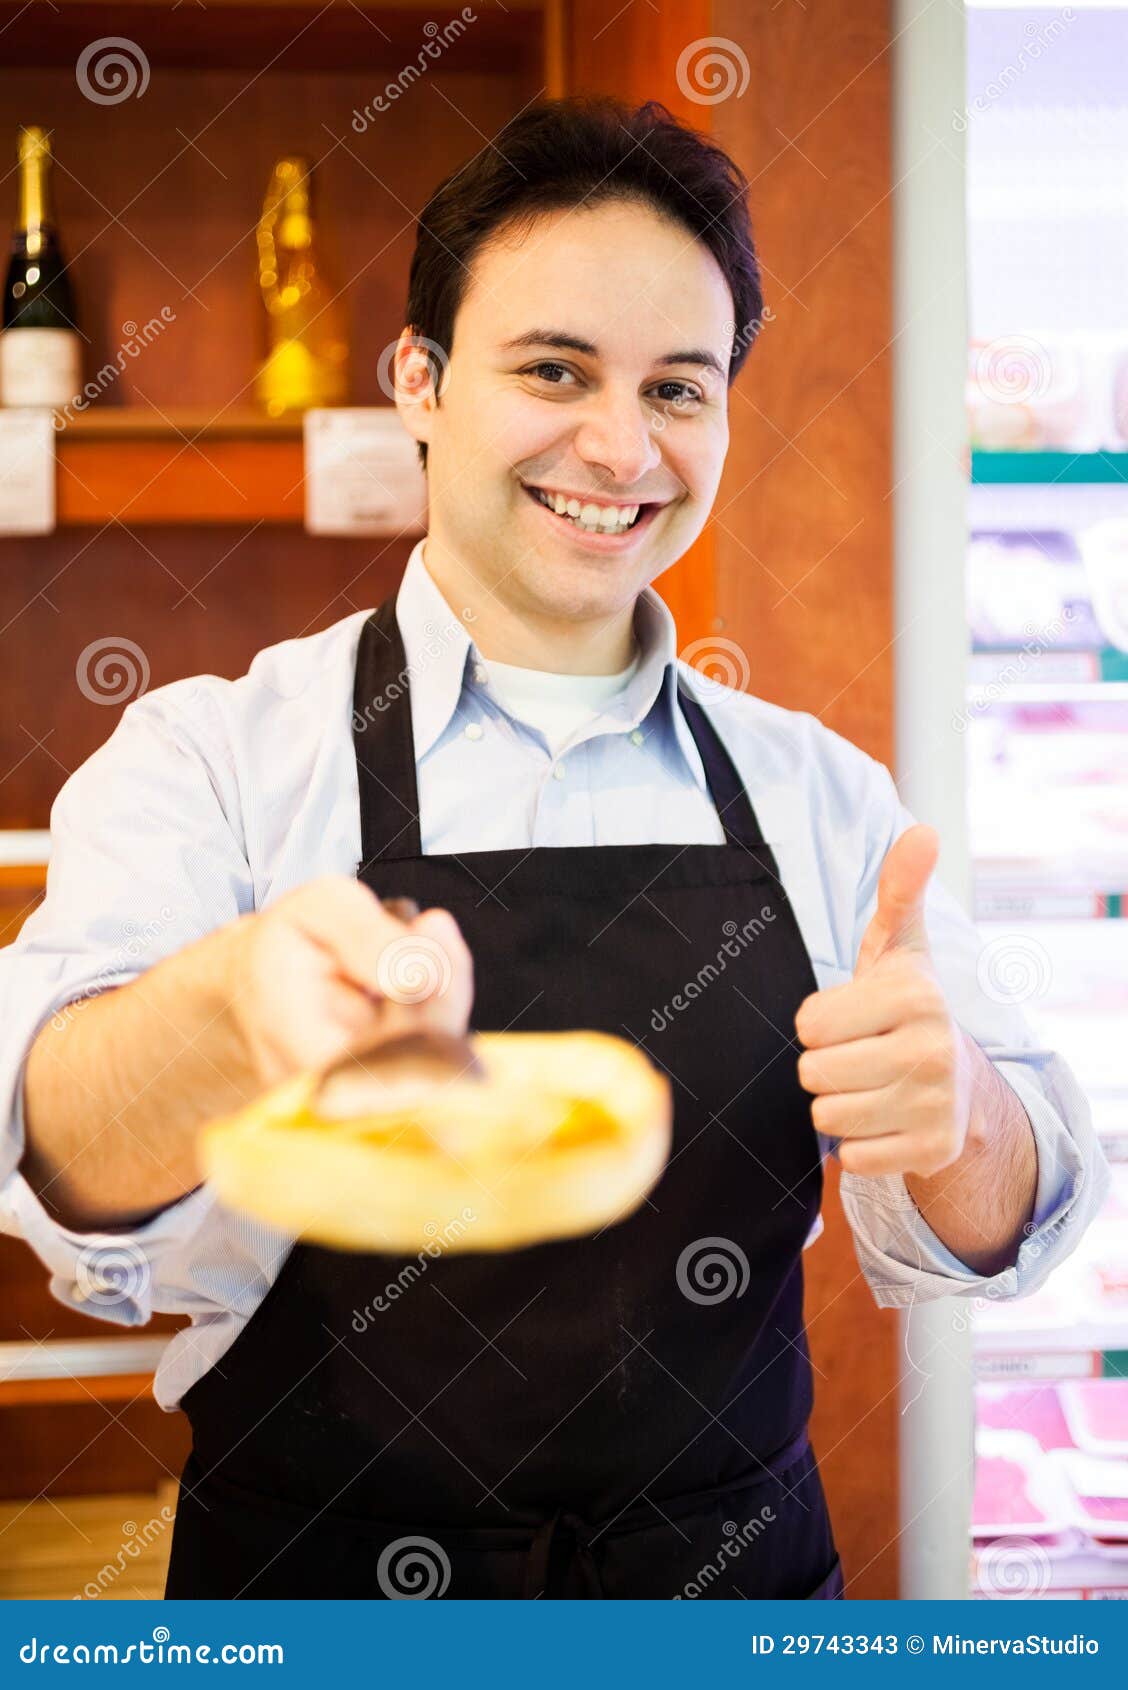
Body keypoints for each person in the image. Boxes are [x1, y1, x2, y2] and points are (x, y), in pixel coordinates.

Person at [0, 97, 1108, 1600]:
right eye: (554, 370)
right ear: (421, 379)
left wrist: (963, 1109)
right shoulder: (218, 756)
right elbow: (54, 1151)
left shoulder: (825, 794)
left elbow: (1010, 1214)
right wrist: (228, 1004)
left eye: (678, 387)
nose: (620, 444)